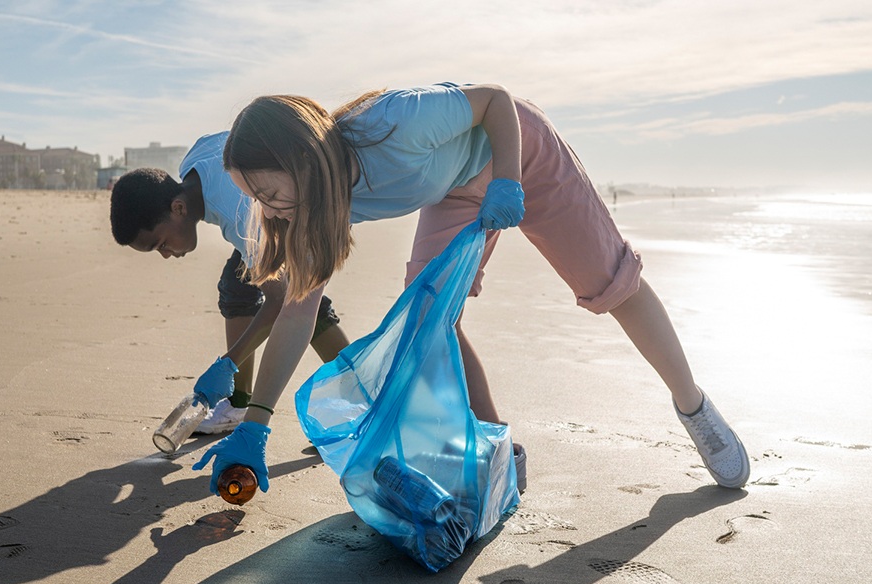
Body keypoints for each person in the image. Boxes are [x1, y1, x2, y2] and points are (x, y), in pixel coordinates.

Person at [190, 83, 750, 498]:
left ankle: (693, 406)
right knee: (430, 316)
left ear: (301, 160)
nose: (267, 211)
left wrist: (508, 179)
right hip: (454, 191)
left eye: (268, 193)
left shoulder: (391, 123)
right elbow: (296, 315)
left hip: (519, 155)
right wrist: (256, 426)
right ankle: (498, 449)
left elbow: (495, 101)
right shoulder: (315, 204)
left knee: (611, 285)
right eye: (255, 199)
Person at [109, 132, 350, 435]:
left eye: (162, 244)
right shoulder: (193, 164)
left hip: (315, 201)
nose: (167, 255)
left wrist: (228, 363)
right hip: (270, 209)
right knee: (238, 284)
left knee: (303, 299)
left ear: (179, 209)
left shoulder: (236, 214)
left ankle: (365, 399)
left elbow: (280, 301)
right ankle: (237, 405)